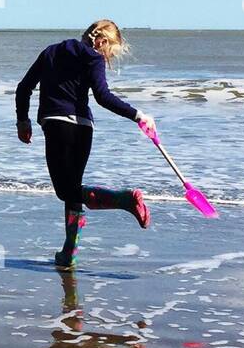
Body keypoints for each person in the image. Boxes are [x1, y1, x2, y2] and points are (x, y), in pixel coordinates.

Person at [15, 20, 156, 268]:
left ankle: (125, 200)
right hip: (83, 130)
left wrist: (22, 121)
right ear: (101, 41)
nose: (106, 56)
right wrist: (137, 115)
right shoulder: (93, 57)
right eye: (108, 51)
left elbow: (24, 88)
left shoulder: (50, 52)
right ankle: (69, 253)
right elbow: (103, 97)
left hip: (57, 126)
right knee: (73, 188)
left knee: (66, 191)